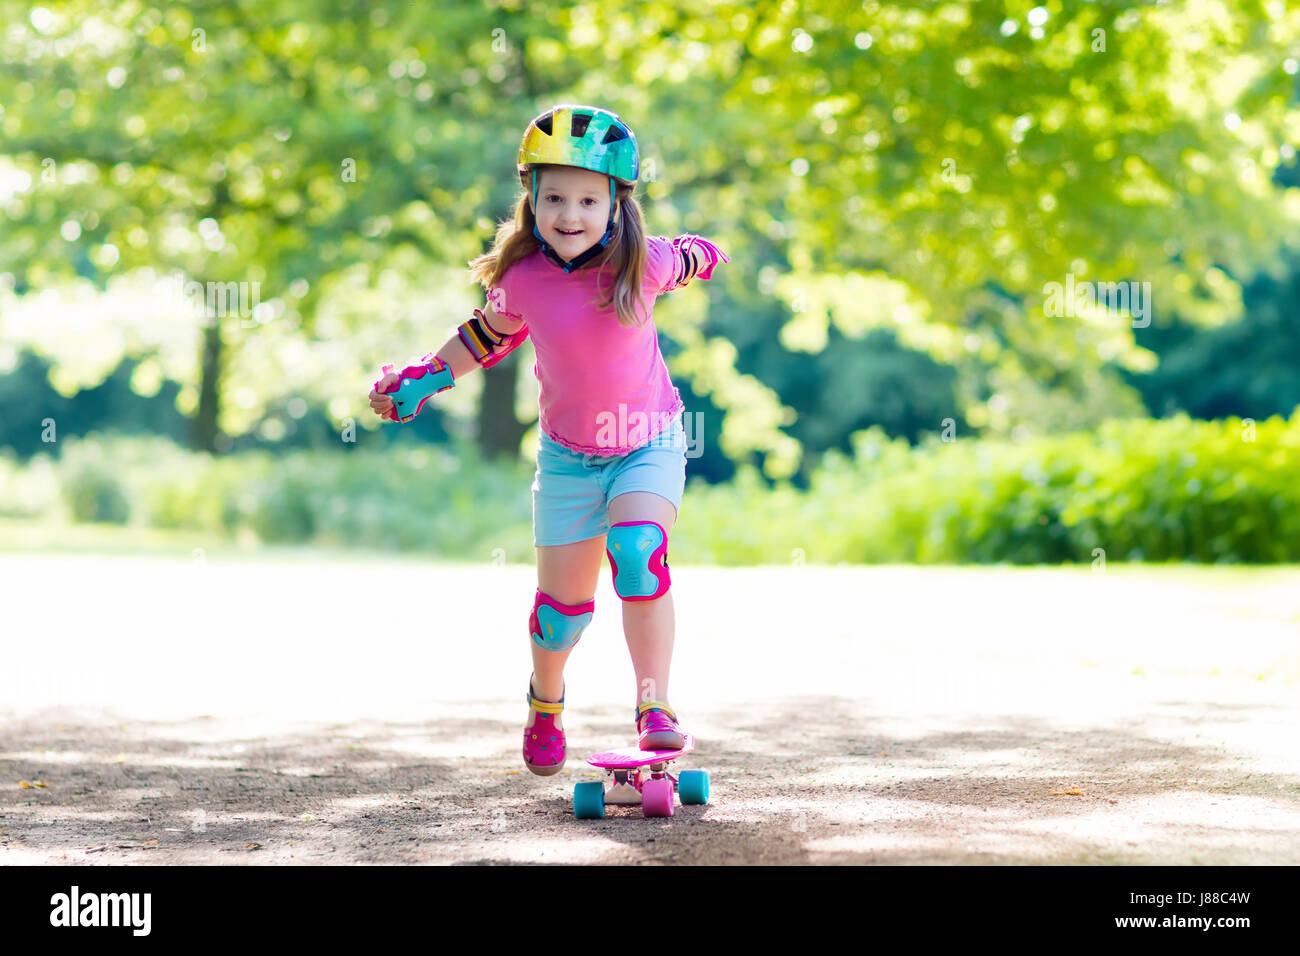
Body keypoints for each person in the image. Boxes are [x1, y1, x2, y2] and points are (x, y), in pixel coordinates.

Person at [368, 104, 729, 775]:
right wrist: (425, 378)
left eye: (589, 200)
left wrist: (702, 254)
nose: (570, 214)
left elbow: (693, 256)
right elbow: (485, 337)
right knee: (561, 616)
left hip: (646, 442)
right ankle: (546, 701)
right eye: (554, 197)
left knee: (638, 552)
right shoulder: (523, 280)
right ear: (530, 200)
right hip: (568, 461)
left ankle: (656, 706)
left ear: (617, 206)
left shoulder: (641, 265)